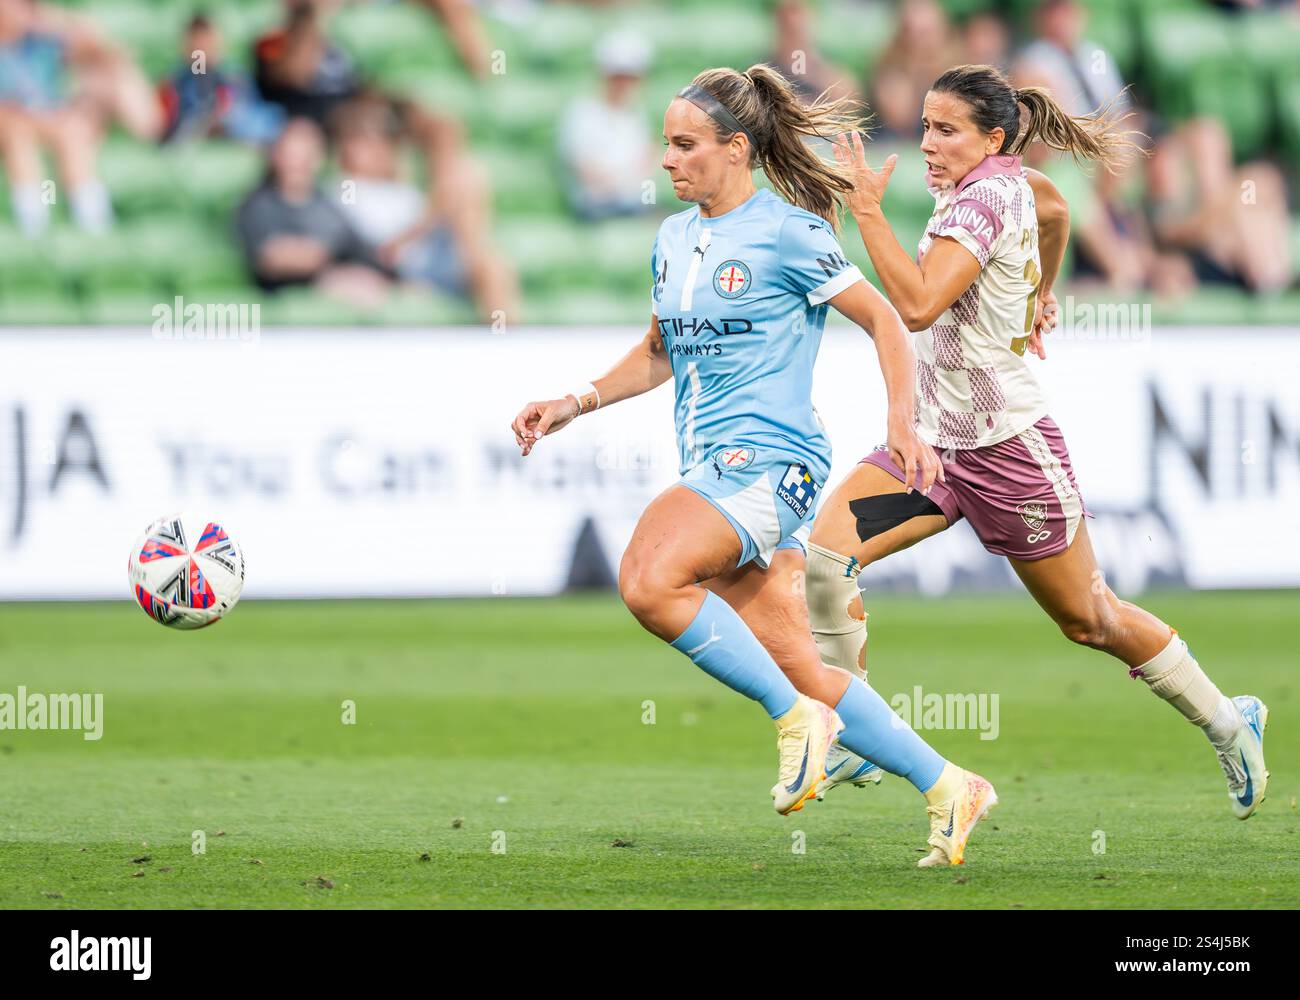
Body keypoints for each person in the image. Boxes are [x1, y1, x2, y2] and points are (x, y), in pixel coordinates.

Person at [512, 65, 997, 868]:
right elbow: (661, 350)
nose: (667, 160)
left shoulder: (789, 231)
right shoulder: (673, 239)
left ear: (736, 149)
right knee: (800, 663)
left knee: (646, 577)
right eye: (665, 144)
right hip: (717, 463)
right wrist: (577, 400)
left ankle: (796, 719)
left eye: (684, 144)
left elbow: (885, 319)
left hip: (771, 463)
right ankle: (951, 785)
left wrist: (902, 423)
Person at [803, 65, 1270, 821]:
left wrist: (868, 212)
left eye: (945, 129)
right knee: (824, 558)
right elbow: (1054, 212)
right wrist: (1041, 291)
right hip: (936, 447)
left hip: (1008, 451)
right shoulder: (1009, 183)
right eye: (924, 125)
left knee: (1091, 618)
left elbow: (918, 306)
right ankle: (856, 726)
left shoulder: (985, 199)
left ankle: (1228, 718)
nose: (926, 142)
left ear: (992, 138)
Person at [235, 117, 389, 306]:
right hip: (291, 292)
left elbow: (358, 244)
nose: (298, 160)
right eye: (291, 151)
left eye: (307, 151)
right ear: (275, 155)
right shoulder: (259, 204)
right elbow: (273, 258)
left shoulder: (328, 202)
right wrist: (327, 262)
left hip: (349, 278)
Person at [556, 31, 657, 221]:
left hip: (633, 203)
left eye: (630, 77)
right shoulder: (582, 114)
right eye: (618, 76)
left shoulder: (636, 114)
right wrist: (628, 183)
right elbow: (585, 169)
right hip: (597, 207)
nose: (624, 83)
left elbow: (648, 159)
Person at [158, 12, 285, 146]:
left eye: (207, 43)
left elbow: (265, 123)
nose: (202, 51)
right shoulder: (175, 83)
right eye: (197, 45)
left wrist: (228, 117)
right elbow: (166, 128)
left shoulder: (236, 80)